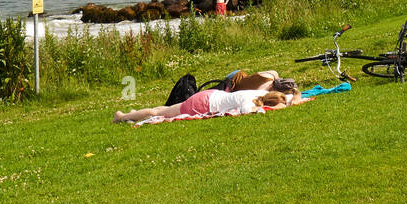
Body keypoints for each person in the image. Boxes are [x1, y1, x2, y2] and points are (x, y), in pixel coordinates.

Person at [112, 87, 290, 123]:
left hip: (210, 96)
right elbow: (247, 112)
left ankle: (133, 113)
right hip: (203, 104)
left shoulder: (258, 93)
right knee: (158, 113)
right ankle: (122, 116)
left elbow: (291, 98)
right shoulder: (250, 102)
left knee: (165, 110)